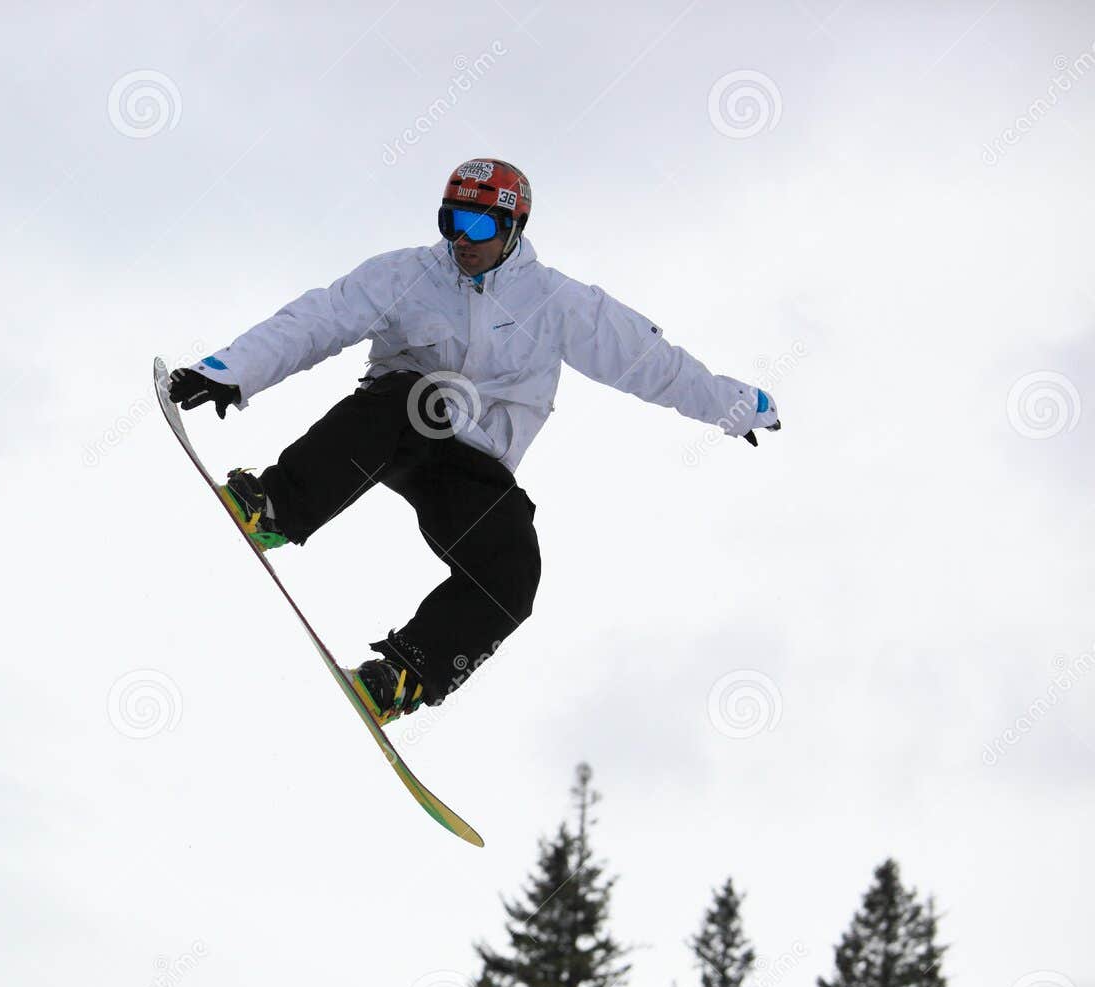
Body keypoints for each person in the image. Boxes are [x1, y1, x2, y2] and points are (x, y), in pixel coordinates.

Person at [168, 158, 781, 727]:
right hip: (394, 424)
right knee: (414, 395)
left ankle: (405, 675)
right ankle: (273, 506)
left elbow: (652, 362)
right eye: (451, 221)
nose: (462, 239)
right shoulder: (406, 275)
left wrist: (733, 405)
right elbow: (316, 321)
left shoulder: (559, 304)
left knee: (514, 567)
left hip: (475, 457)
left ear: (515, 226)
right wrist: (229, 369)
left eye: (479, 224)